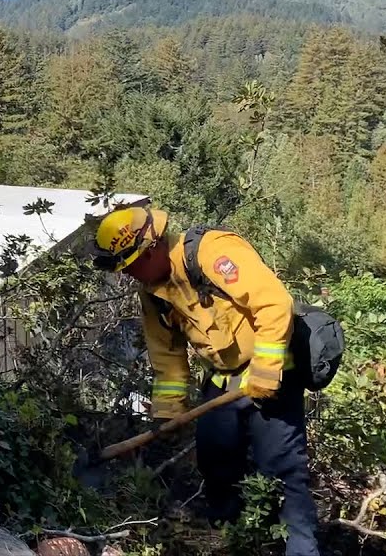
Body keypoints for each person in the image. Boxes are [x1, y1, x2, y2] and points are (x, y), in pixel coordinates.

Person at [89, 205, 320, 556]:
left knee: (282, 471)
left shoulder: (212, 252)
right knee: (215, 461)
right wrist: (168, 414)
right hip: (223, 379)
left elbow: (274, 303)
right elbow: (168, 359)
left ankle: (299, 549)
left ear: (152, 248)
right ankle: (234, 540)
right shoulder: (153, 293)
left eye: (132, 265)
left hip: (272, 372)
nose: (130, 275)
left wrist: (265, 370)